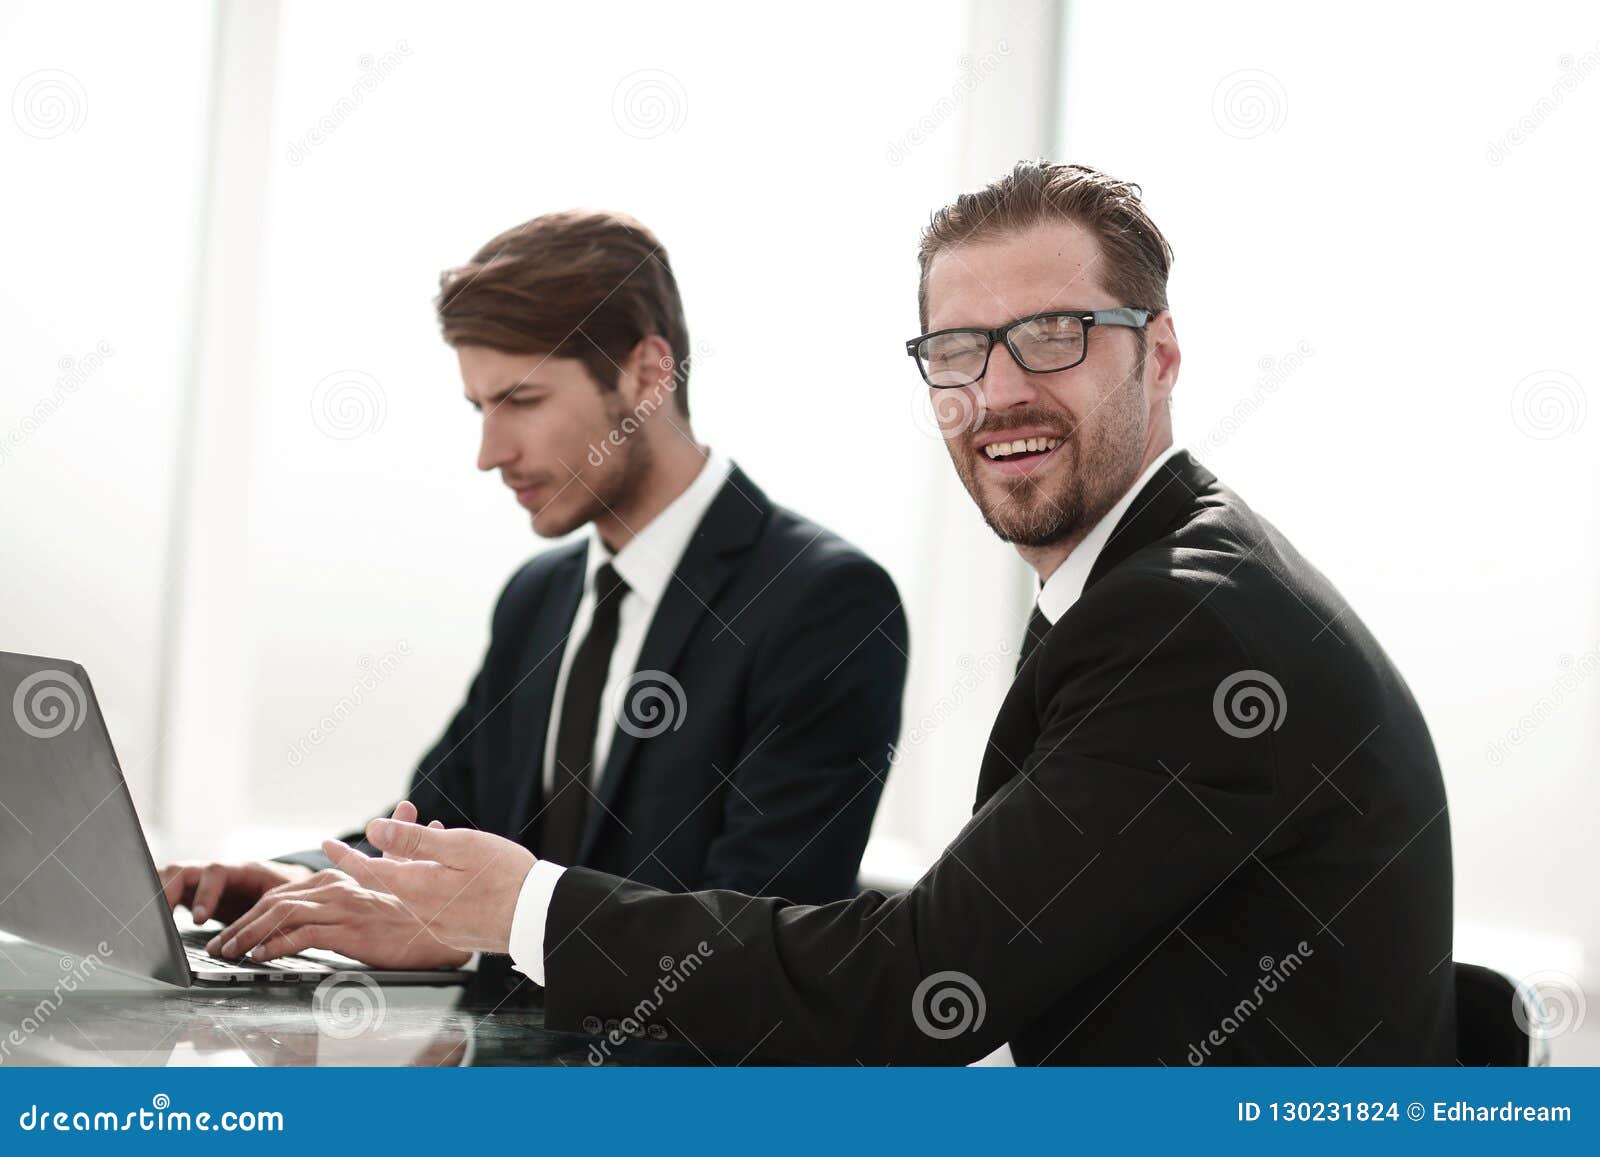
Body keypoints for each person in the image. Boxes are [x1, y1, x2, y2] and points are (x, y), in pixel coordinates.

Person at [228, 161, 1456, 1066]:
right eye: (958, 350)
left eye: (1053, 336)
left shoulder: (1191, 623)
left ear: (1161, 353)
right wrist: (295, 888)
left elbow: (922, 983)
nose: (997, 392)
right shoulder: (1144, 584)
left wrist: (516, 909)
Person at [159, 210, 909, 978]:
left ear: (647, 376)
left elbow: (754, 949)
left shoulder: (826, 603)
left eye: (521, 400)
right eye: (479, 408)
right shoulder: (538, 597)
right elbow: (438, 824)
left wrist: (478, 936)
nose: (490, 453)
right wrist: (299, 880)